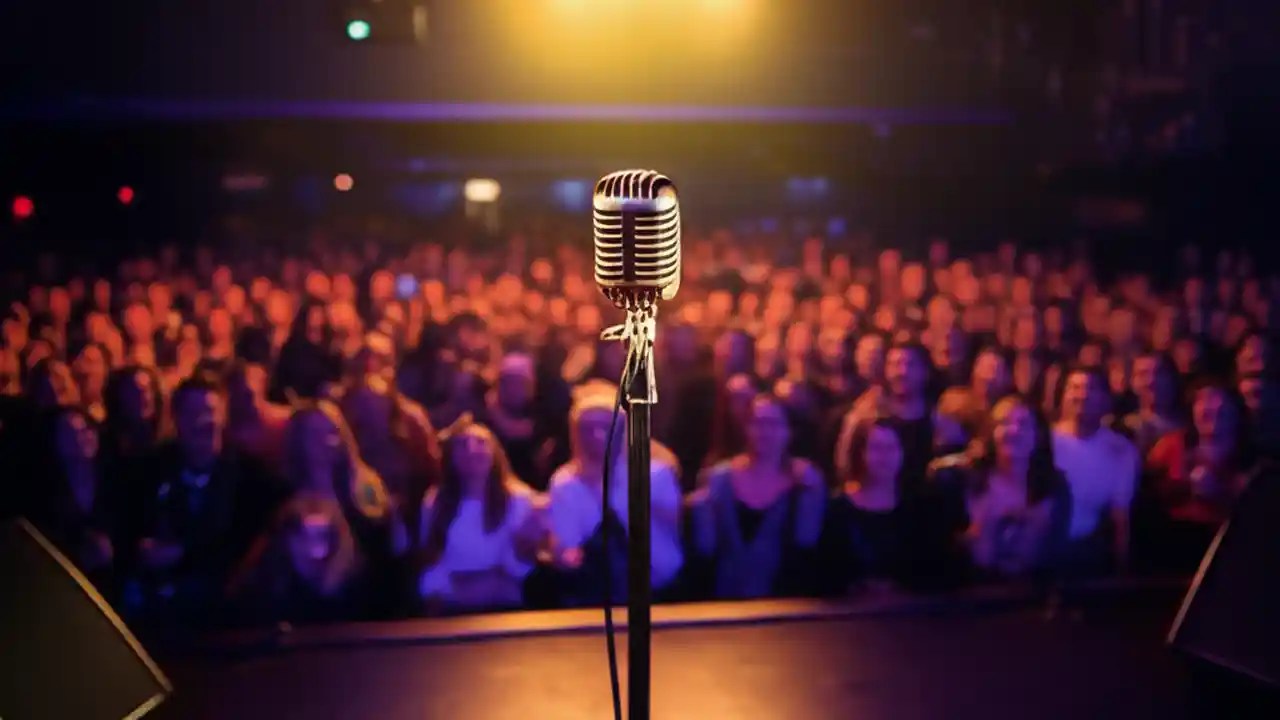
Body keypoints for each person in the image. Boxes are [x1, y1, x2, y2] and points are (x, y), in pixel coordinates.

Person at [546, 381, 684, 605]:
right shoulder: (564, 484)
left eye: (606, 426)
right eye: (588, 428)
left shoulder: (656, 475)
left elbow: (670, 530)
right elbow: (567, 545)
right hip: (594, 593)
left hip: (658, 588)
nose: (597, 435)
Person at [688, 393, 825, 599]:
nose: (765, 432)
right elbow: (705, 548)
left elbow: (807, 544)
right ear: (746, 428)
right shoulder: (720, 478)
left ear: (789, 431)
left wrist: (811, 497)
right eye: (758, 423)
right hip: (725, 603)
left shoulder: (804, 480)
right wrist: (698, 510)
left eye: (774, 424)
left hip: (785, 604)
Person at [417, 415, 542, 613]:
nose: (471, 450)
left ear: (494, 453)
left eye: (481, 443)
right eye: (462, 445)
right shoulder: (436, 501)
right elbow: (431, 563)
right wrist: (447, 594)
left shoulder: (519, 499)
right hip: (451, 605)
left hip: (503, 605)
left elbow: (519, 568)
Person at [962, 396, 1071, 580]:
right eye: (1004, 423)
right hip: (977, 591)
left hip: (1037, 592)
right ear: (991, 432)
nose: (1013, 430)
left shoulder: (1054, 485)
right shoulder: (971, 480)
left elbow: (1051, 552)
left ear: (1038, 435)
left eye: (1023, 424)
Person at [226, 495, 370, 626]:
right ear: (286, 540)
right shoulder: (260, 588)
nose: (316, 550)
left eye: (324, 536)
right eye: (304, 537)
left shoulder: (353, 586)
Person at [1052, 366, 1139, 576]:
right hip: (1043, 547)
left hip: (1088, 552)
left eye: (1091, 389)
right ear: (1063, 396)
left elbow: (1121, 517)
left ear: (1106, 400)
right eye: (1075, 387)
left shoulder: (1120, 450)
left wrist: (1121, 570)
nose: (1082, 395)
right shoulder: (1042, 442)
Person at [822, 418, 907, 593]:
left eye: (891, 448)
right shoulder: (837, 509)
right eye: (876, 449)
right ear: (860, 453)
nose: (885, 457)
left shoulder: (916, 507)